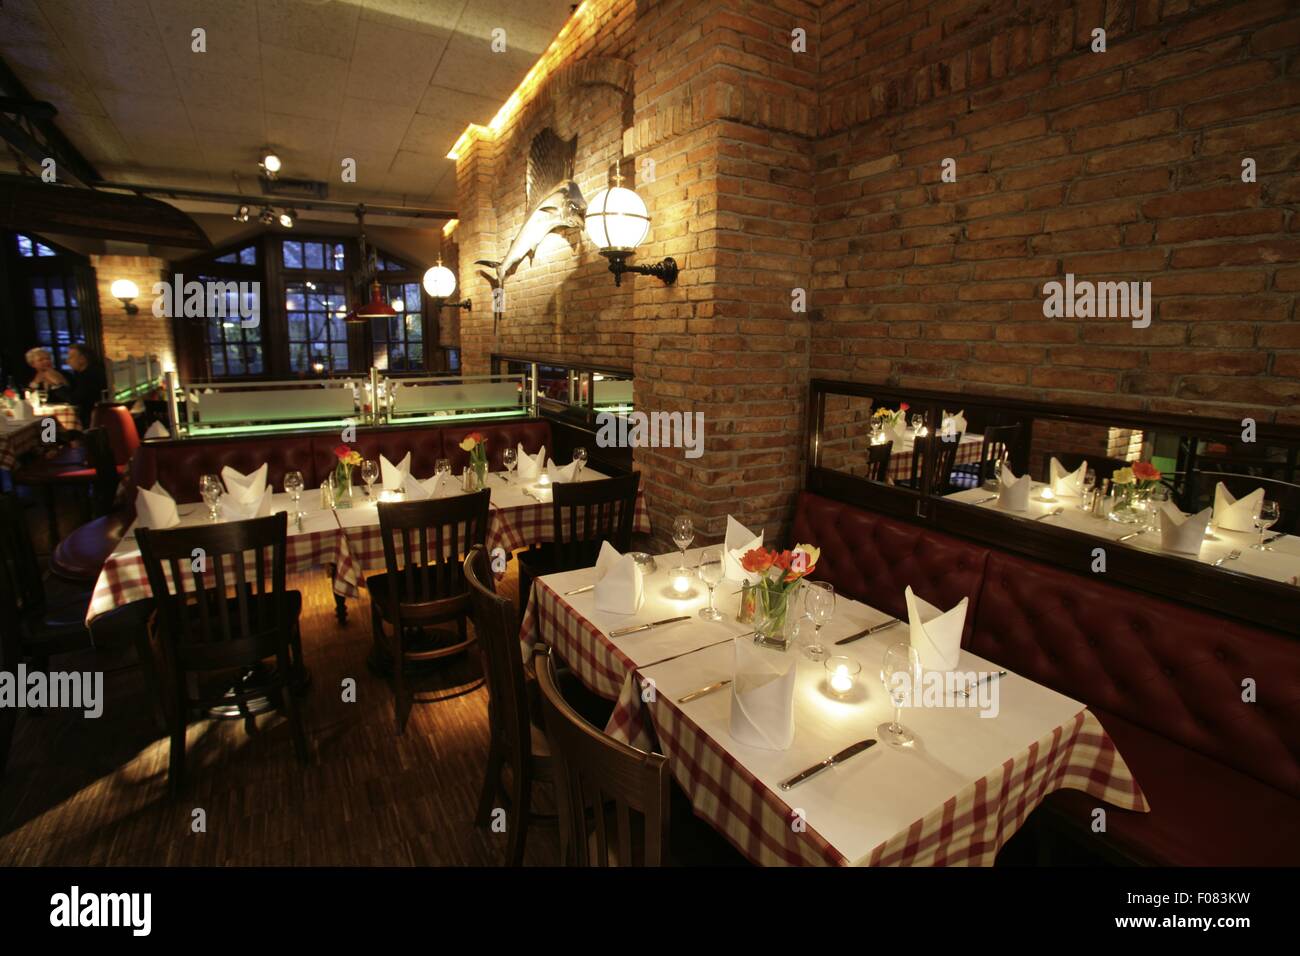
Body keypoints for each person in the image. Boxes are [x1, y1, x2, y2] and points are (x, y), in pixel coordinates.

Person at [64, 344, 108, 428]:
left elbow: (74, 400)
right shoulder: (82, 373)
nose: (67, 361)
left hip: (92, 422)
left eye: (71, 357)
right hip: (93, 418)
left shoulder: (90, 375)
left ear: (82, 359)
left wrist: (58, 385)